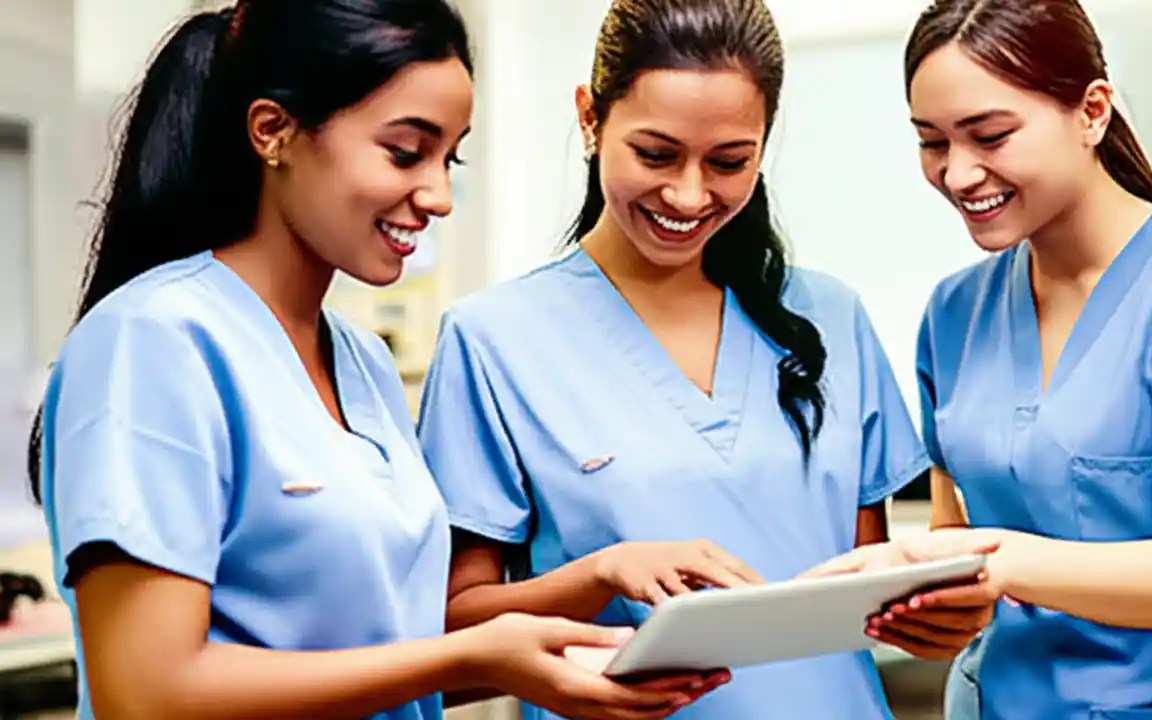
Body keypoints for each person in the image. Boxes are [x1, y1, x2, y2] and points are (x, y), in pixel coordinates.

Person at [29, 2, 717, 718]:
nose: (440, 197)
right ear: (273, 131)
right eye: (405, 152)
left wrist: (591, 605)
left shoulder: (362, 363)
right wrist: (469, 655)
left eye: (450, 158)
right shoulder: (153, 339)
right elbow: (145, 691)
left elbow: (389, 662)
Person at [416, 1, 995, 718]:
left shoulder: (829, 319)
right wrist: (602, 574)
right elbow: (451, 635)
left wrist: (941, 621)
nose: (688, 195)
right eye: (655, 154)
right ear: (590, 119)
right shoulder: (494, 341)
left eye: (728, 162)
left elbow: (869, 599)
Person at [804, 1, 1152, 718]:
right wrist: (926, 604)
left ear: (1092, 112)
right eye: (932, 142)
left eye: (990, 136)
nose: (958, 173)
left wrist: (991, 564)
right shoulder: (954, 314)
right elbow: (953, 546)